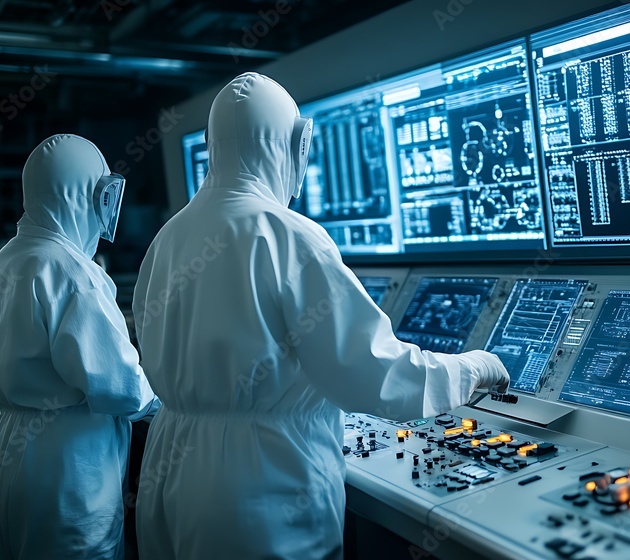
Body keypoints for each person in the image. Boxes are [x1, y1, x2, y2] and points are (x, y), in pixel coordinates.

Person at [132, 72, 509, 559]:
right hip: (261, 490)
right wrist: (471, 369)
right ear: (291, 143)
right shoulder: (287, 235)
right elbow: (374, 373)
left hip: (173, 474)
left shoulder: (168, 238)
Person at [0, 134, 160, 560]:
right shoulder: (71, 271)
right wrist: (167, 403)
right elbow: (120, 385)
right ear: (80, 194)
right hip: (65, 463)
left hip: (4, 451)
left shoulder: (8, 259)